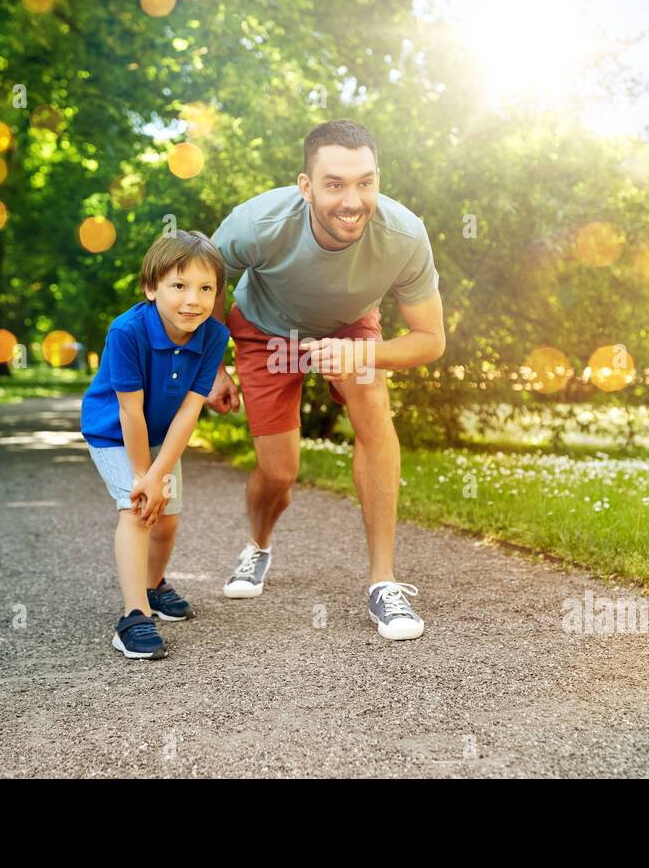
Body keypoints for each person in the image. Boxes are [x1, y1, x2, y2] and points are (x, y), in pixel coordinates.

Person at [205, 120, 446, 640]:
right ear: (306, 186)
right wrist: (213, 369)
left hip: (350, 330)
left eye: (366, 182)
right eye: (335, 184)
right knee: (278, 474)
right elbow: (202, 287)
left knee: (374, 417)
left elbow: (430, 339)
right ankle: (258, 545)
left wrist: (360, 350)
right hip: (264, 332)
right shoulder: (256, 224)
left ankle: (384, 583)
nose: (353, 200)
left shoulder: (404, 236)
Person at [80, 230, 231, 659]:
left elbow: (188, 412)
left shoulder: (214, 336)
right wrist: (146, 478)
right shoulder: (126, 332)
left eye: (206, 289)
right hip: (114, 432)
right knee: (138, 509)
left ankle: (153, 583)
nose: (193, 300)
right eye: (179, 286)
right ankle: (134, 616)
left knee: (167, 519)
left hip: (164, 432)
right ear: (151, 288)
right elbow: (130, 413)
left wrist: (160, 473)